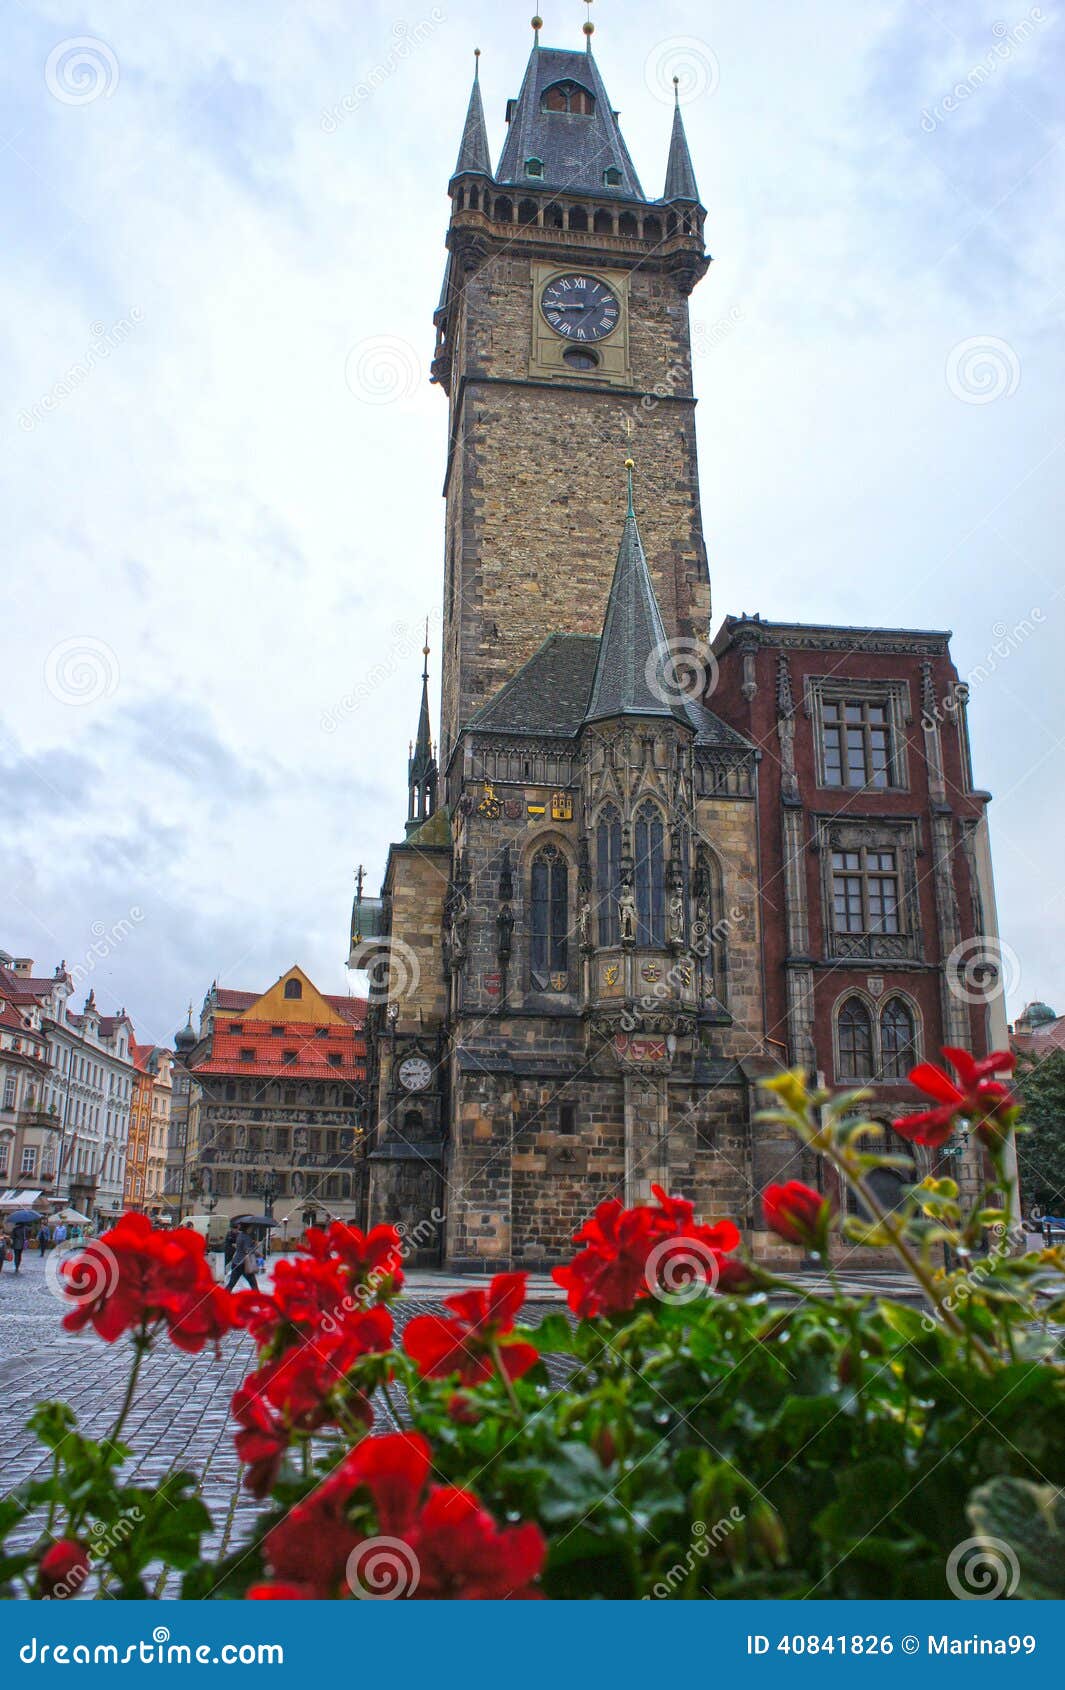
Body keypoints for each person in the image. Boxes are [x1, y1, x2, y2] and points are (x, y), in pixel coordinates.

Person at [225, 1226, 259, 1292]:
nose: (251, 1228)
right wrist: (256, 1246)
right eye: (251, 1227)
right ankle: (258, 1298)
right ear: (247, 1228)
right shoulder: (246, 1237)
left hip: (236, 1262)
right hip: (244, 1263)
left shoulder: (240, 1235)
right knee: (253, 1284)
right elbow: (247, 1250)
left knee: (231, 1283)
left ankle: (223, 1296)